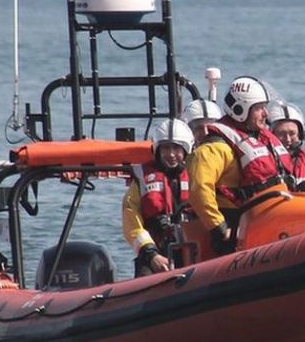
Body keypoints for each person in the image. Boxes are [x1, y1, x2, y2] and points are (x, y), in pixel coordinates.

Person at [186, 76, 293, 256]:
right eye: (259, 108)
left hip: (270, 219)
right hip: (234, 227)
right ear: (240, 109)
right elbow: (199, 189)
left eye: (265, 107)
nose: (265, 114)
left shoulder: (264, 140)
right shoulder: (215, 148)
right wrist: (220, 228)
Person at [122, 118, 196, 276]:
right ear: (157, 150)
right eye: (166, 148)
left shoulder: (196, 174)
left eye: (176, 148)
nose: (171, 154)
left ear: (186, 149)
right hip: (155, 251)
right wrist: (151, 254)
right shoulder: (142, 178)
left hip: (191, 248)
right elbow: (131, 218)